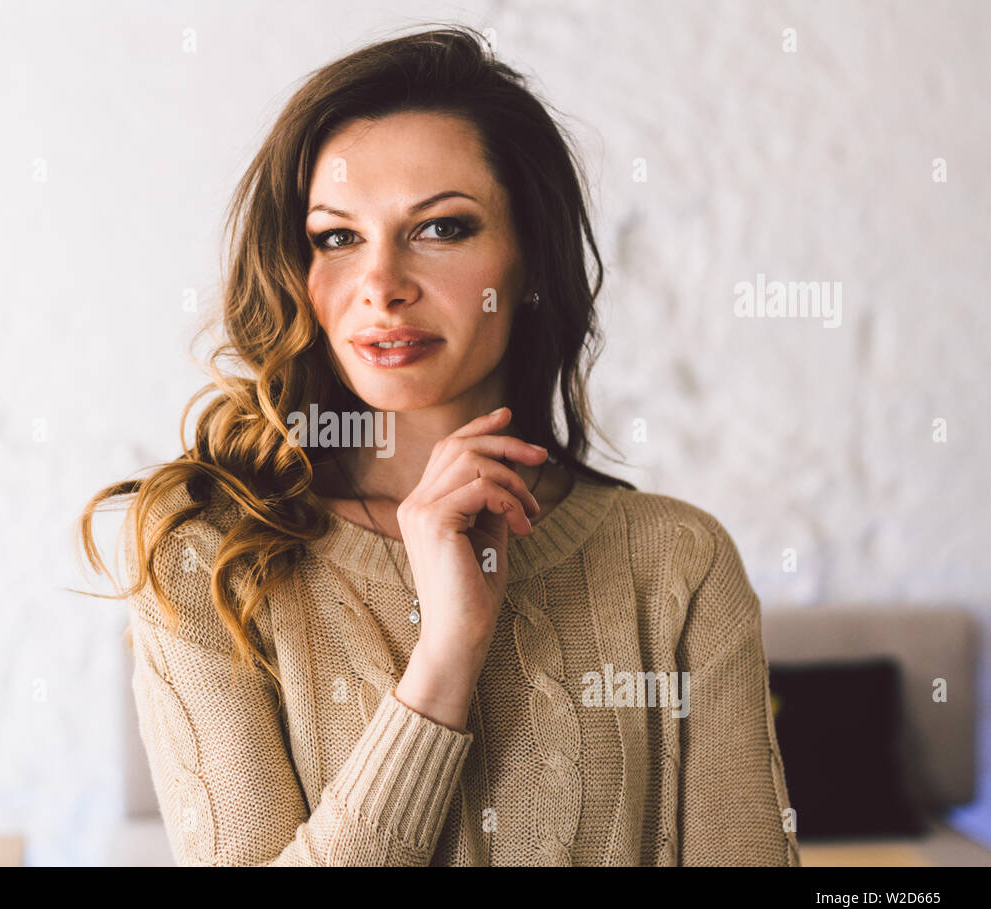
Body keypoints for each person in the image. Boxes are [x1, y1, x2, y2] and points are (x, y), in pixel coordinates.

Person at [78, 25, 800, 866]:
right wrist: (446, 652)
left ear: (529, 261)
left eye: (442, 228)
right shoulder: (206, 553)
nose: (381, 287)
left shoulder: (677, 562)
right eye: (336, 237)